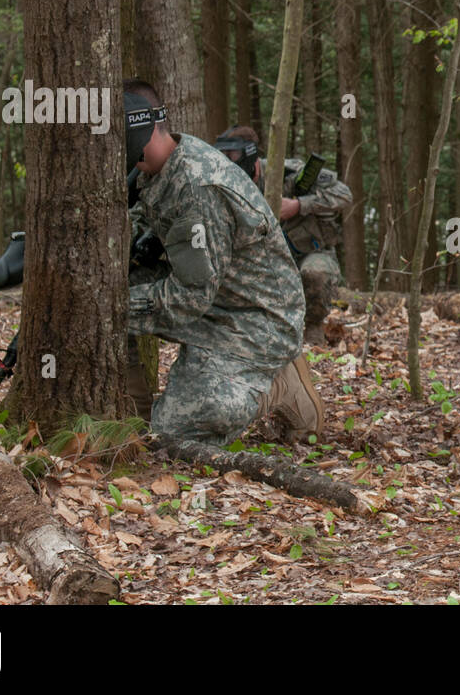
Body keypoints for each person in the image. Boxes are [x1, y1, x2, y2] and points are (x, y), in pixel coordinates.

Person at [122, 81, 325, 445]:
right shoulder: (158, 166)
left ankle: (279, 381)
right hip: (217, 297)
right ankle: (129, 413)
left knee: (176, 433)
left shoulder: (197, 187)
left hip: (256, 319)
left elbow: (189, 298)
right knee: (116, 290)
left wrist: (107, 310)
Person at [212, 125, 353, 344]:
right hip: (268, 258)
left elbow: (344, 195)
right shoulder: (229, 185)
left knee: (315, 273)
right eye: (224, 155)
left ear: (250, 155)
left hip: (310, 253)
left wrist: (299, 205)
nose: (228, 160)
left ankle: (313, 327)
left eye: (233, 155)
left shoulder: (287, 173)